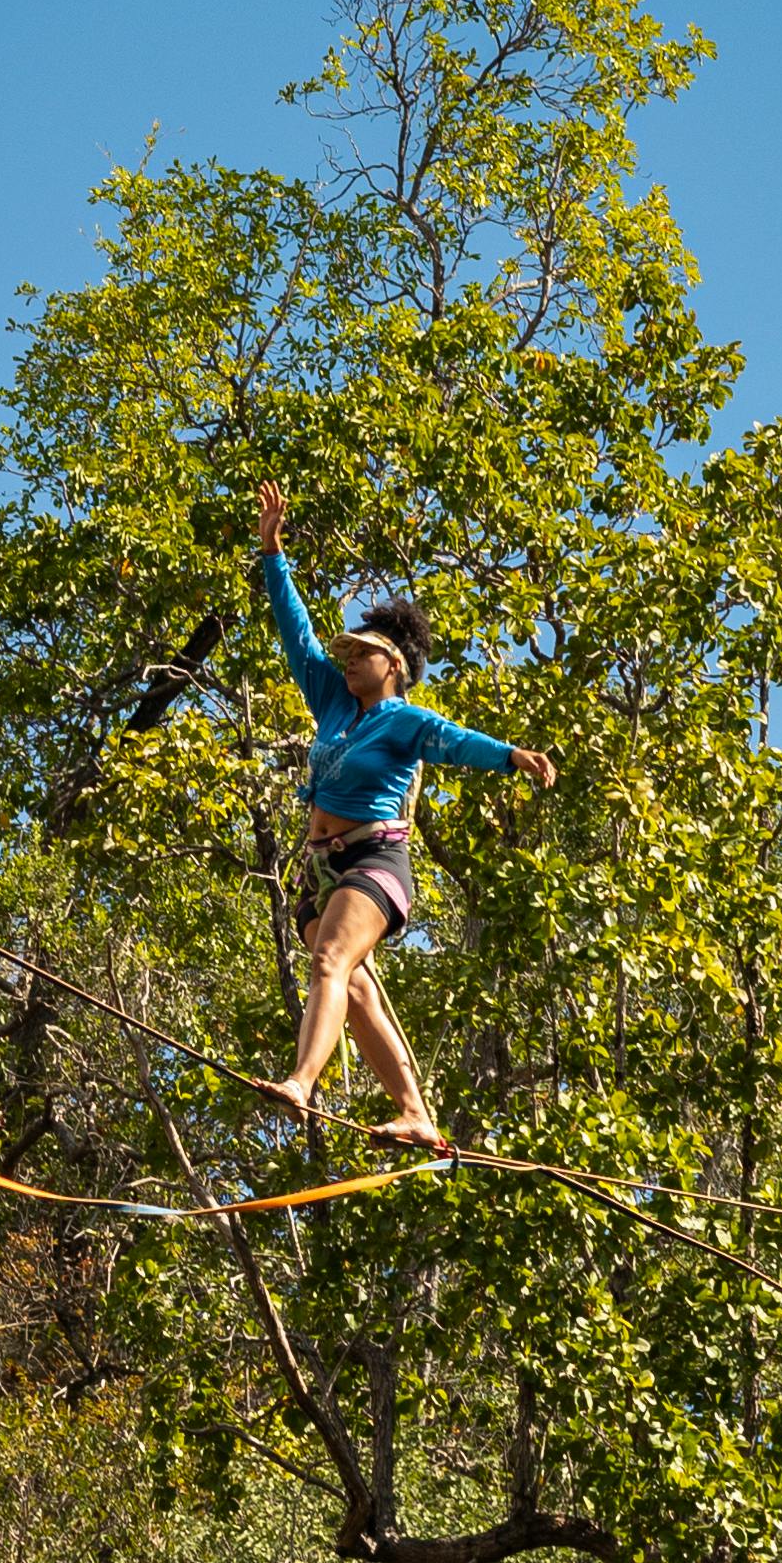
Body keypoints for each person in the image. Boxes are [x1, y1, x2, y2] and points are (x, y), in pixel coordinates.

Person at [257, 479, 557, 1147]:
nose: (347, 660)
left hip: (373, 861)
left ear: (392, 664)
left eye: (359, 652)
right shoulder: (333, 704)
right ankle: (415, 1114)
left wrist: (510, 755)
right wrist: (273, 553)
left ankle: (301, 1082)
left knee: (330, 961)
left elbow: (454, 741)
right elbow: (296, 634)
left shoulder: (401, 719)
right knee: (354, 988)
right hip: (318, 871)